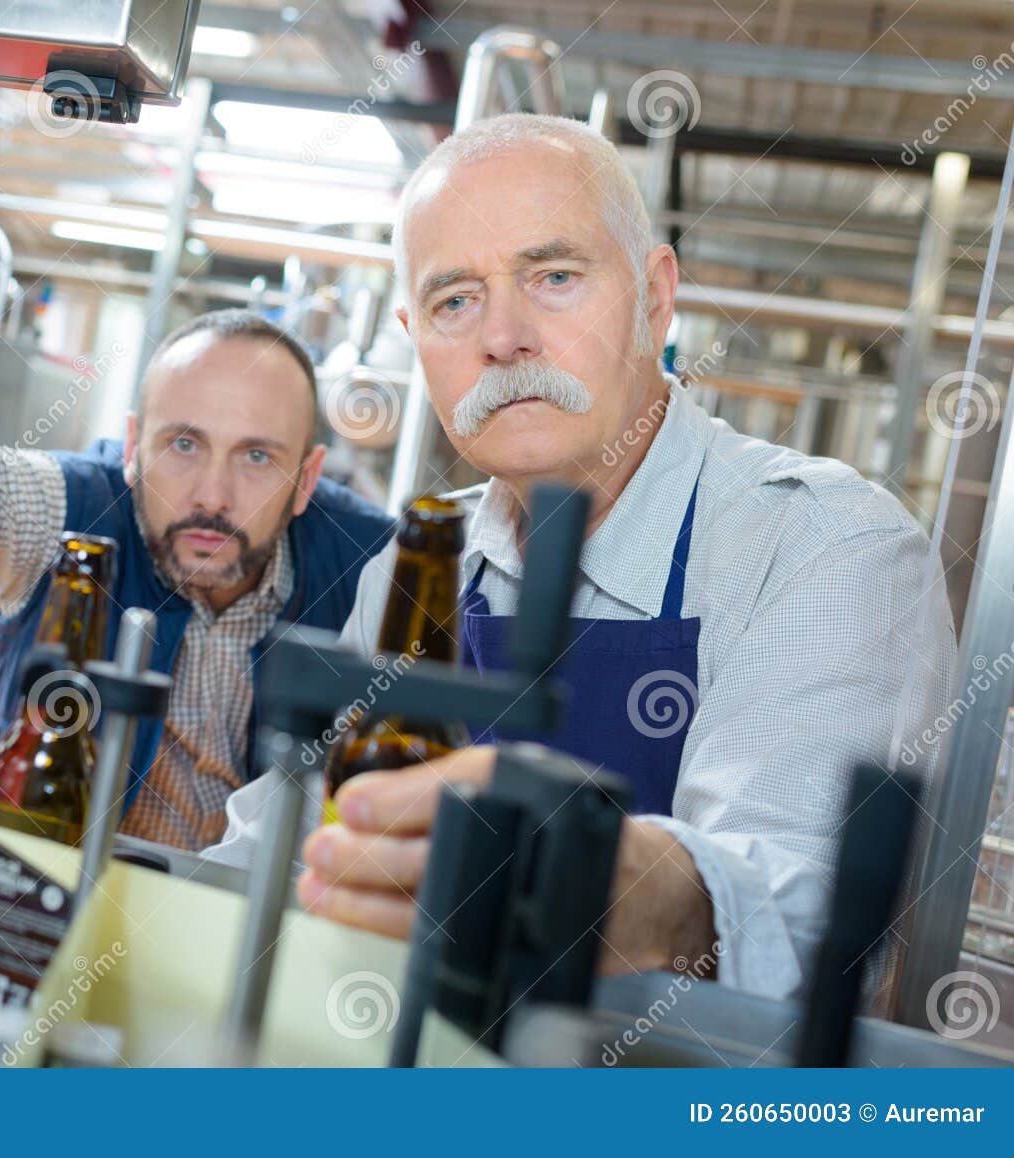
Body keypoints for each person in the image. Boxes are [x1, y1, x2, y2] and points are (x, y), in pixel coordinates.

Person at [206, 114, 957, 1000]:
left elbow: (798, 916)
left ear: (656, 295)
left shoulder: (820, 549)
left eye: (554, 277)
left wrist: (608, 878)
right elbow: (279, 844)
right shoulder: (419, 567)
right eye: (456, 301)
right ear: (416, 337)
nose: (503, 337)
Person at [0, 309, 394, 852]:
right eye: (184, 444)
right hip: (47, 900)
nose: (212, 496)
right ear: (134, 445)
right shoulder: (66, 514)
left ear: (306, 479)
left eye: (256, 456)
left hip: (254, 924)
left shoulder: (374, 565)